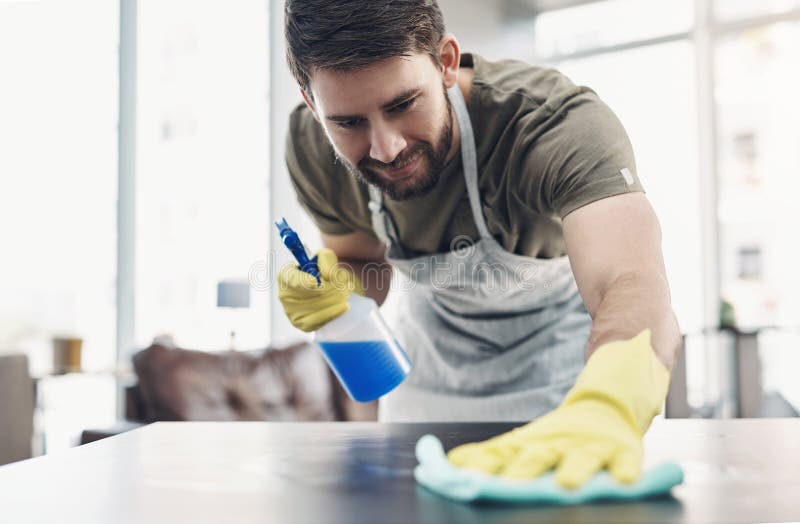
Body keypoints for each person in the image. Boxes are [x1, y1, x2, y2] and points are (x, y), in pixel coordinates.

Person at [278, 0, 681, 489]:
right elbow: (363, 261)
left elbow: (630, 279)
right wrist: (339, 291)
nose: (386, 148)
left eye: (402, 105)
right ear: (309, 98)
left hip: (566, 387)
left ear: (446, 61)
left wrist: (610, 401)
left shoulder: (551, 125)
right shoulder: (311, 145)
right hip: (428, 390)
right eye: (348, 122)